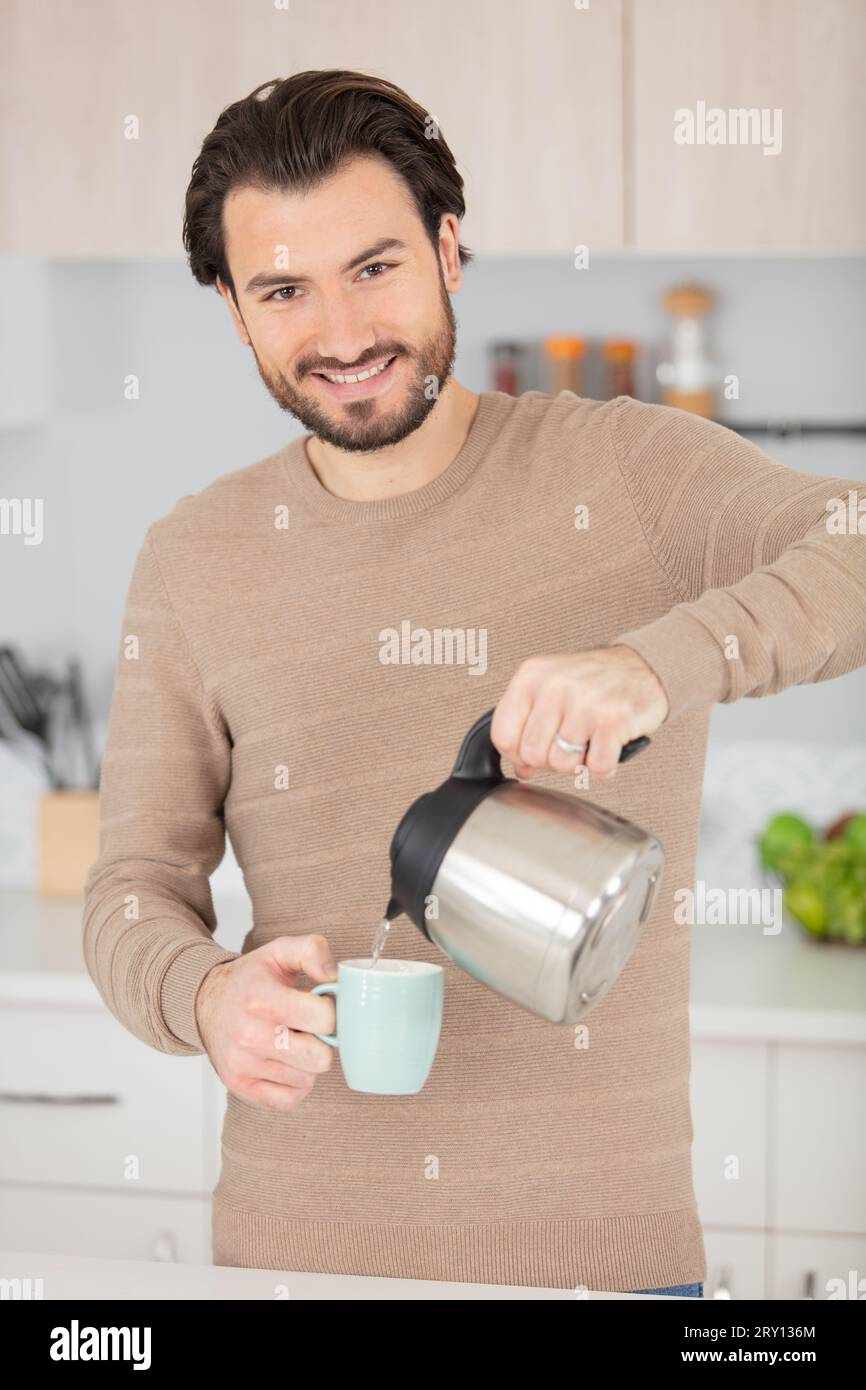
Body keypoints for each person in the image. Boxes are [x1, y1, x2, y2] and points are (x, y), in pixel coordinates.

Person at [83, 70, 866, 1297]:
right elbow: (131, 889)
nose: (340, 333)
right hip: (299, 1265)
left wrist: (659, 663)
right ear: (232, 308)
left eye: (376, 267)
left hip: (610, 1271)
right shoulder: (195, 559)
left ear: (451, 249)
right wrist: (203, 994)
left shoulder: (629, 472)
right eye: (283, 289)